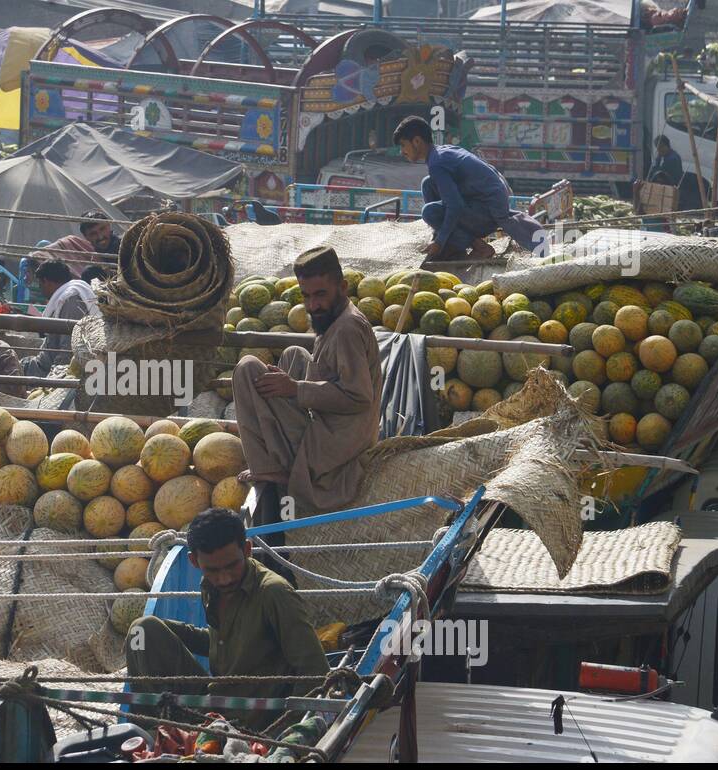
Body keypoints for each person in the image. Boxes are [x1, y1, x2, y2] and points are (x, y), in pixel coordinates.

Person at [125, 508, 329, 732]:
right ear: (194, 561)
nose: (224, 578)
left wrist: (282, 733)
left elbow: (315, 671)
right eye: (212, 570)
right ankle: (150, 731)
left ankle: (171, 733)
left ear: (247, 550)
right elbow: (224, 642)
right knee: (142, 630)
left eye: (232, 566)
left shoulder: (274, 593)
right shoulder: (211, 587)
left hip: (249, 722)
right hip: (213, 705)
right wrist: (164, 631)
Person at [232, 246, 381, 515]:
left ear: (342, 287)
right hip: (332, 427)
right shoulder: (335, 317)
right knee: (294, 355)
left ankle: (268, 468)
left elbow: (358, 396)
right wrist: (291, 386)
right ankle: (278, 457)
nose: (313, 305)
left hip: (337, 446)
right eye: (307, 296)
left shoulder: (347, 328)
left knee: (247, 369)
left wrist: (294, 388)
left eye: (321, 294)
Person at [394, 115, 544, 261]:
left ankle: (479, 247)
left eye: (403, 145)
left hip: (490, 212)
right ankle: (446, 240)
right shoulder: (443, 152)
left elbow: (455, 206)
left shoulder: (437, 163)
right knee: (427, 184)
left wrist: (440, 242)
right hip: (487, 202)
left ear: (417, 141)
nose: (402, 151)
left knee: (429, 212)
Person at [22, 261, 99, 377]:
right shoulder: (66, 298)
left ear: (46, 282)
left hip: (49, 371)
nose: (41, 290)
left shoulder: (70, 301)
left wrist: (54, 377)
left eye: (40, 285)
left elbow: (67, 351)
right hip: (44, 364)